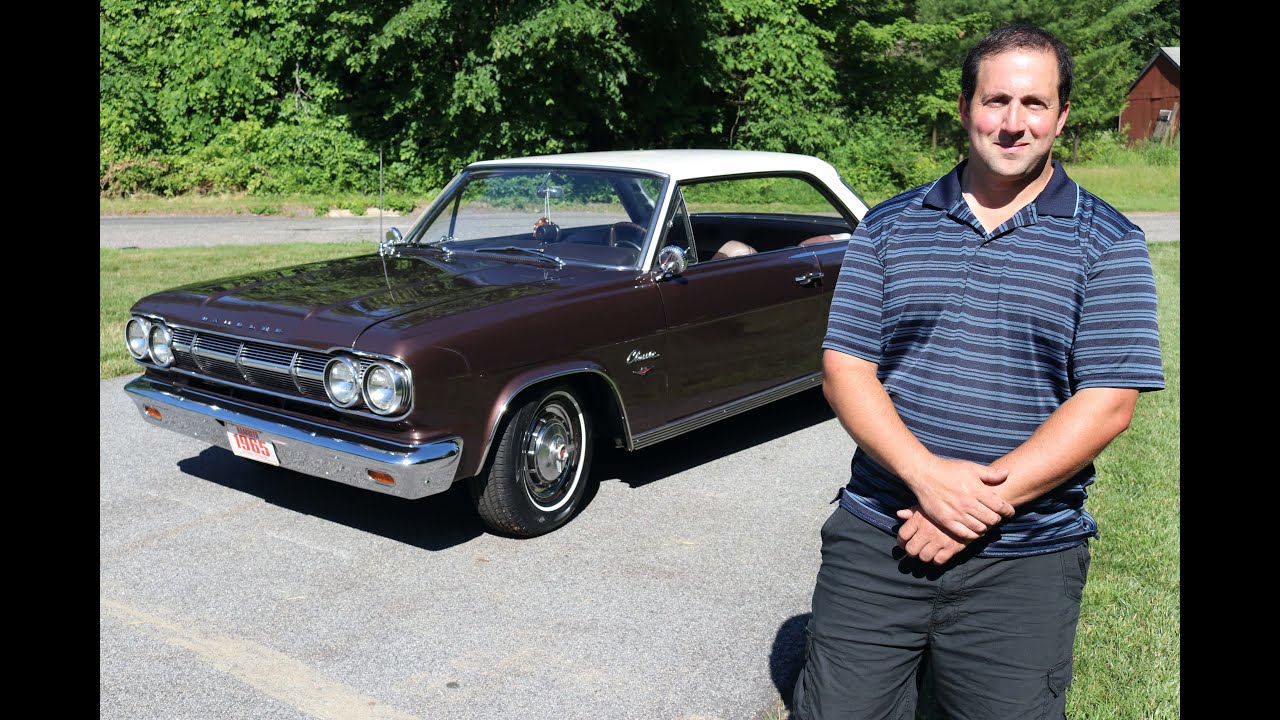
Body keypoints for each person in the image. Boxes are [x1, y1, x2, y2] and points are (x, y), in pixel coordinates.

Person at [790, 22, 1165, 720]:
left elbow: (1108, 401)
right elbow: (845, 369)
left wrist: (965, 513)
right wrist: (928, 479)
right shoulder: (888, 227)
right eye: (997, 101)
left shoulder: (1109, 242)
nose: (1014, 123)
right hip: (881, 536)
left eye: (1034, 103)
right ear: (965, 108)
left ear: (1061, 116)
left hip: (1025, 555)